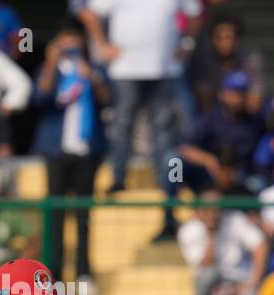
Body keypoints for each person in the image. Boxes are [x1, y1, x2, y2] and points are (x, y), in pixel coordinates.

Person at [81, 0, 202, 240]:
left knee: (164, 133)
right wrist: (102, 44)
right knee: (122, 125)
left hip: (165, 70)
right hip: (125, 69)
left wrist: (187, 44)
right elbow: (89, 12)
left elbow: (196, 13)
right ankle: (118, 178)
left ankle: (167, 185)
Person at [32, 24, 108, 288]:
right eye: (65, 40)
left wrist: (92, 77)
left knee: (83, 215)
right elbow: (40, 97)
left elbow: (108, 99)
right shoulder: (49, 70)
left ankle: (84, 273)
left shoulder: (91, 69)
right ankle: (54, 275)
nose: (70, 46)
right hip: (56, 152)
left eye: (75, 40)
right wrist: (51, 64)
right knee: (55, 215)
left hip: (87, 152)